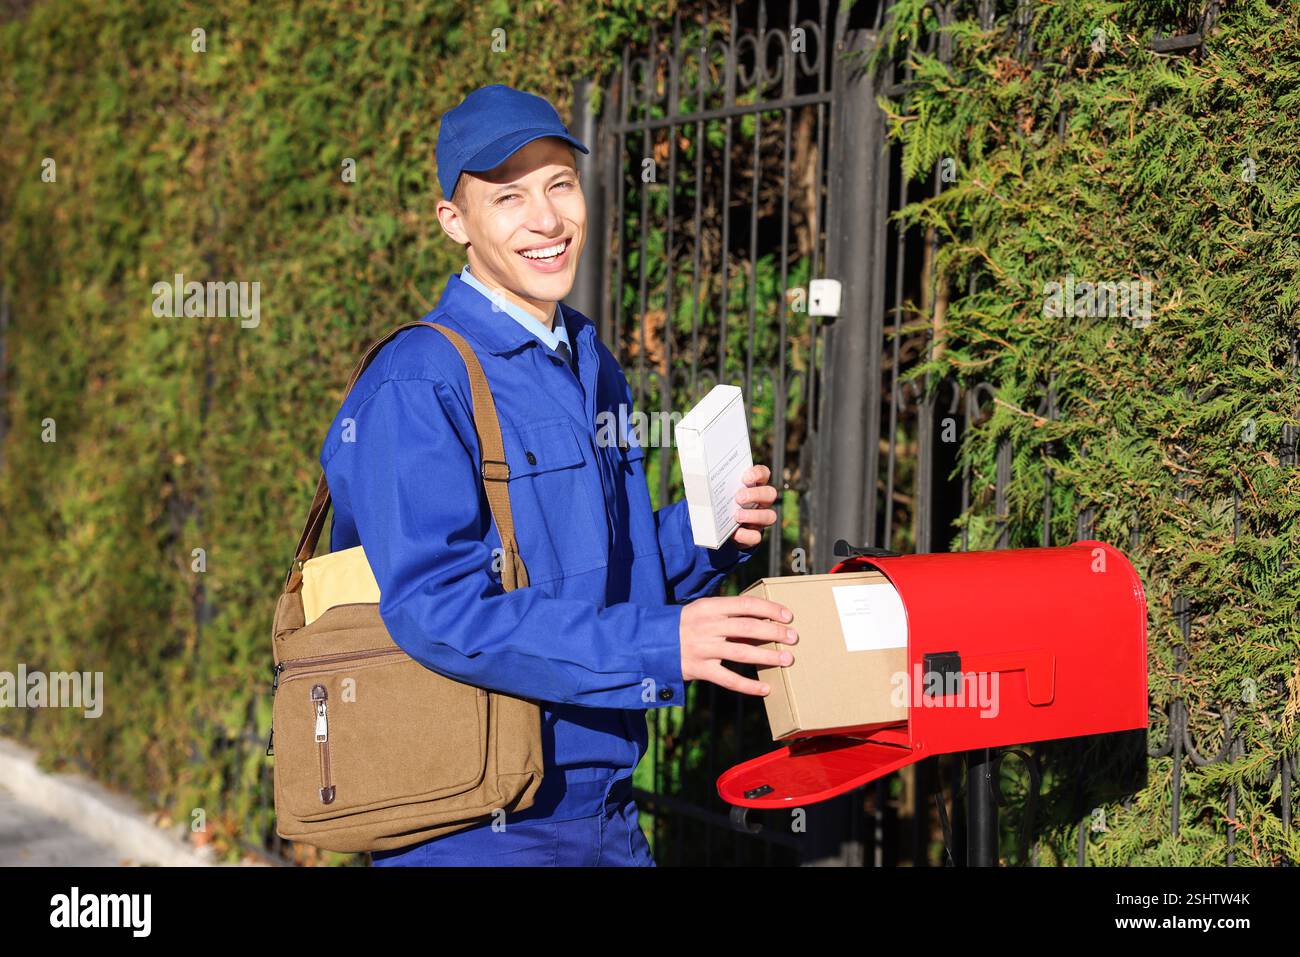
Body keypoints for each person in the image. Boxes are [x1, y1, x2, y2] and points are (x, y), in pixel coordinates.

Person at [319, 84, 798, 866]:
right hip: (474, 824)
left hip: (603, 814)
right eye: (508, 197)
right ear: (454, 222)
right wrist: (658, 641)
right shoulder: (419, 381)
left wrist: (706, 533)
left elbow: (606, 572)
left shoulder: (588, 358)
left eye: (560, 184)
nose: (546, 220)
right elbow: (439, 612)